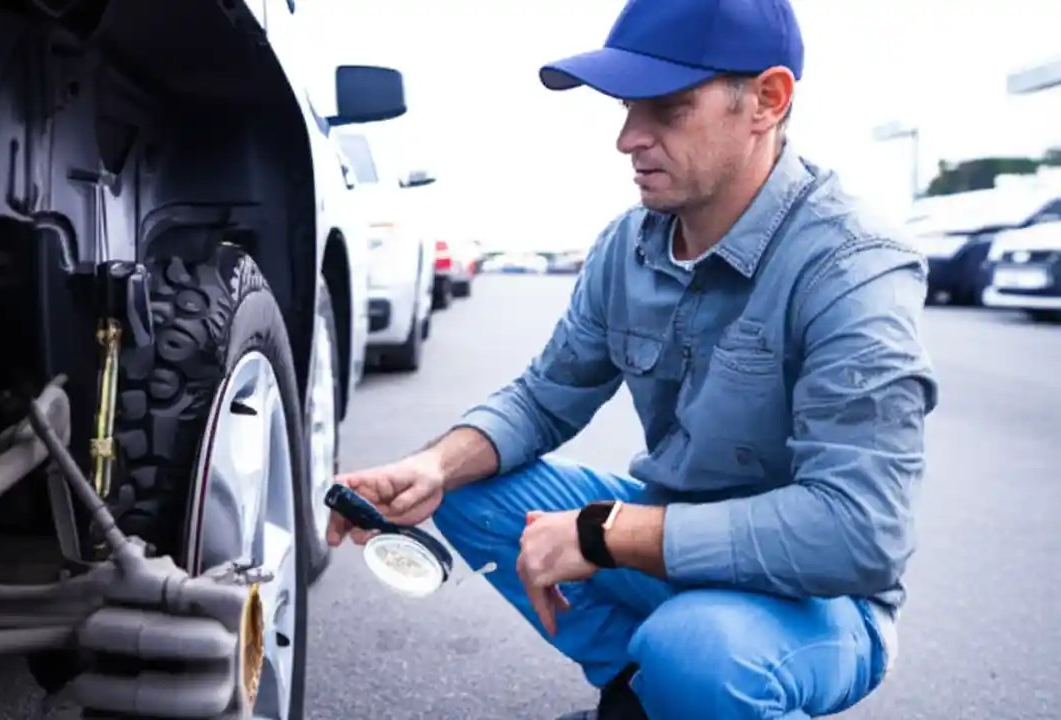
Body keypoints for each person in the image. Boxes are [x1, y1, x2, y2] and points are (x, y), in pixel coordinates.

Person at [328, 0, 939, 717]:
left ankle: (693, 685)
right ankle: (637, 698)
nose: (627, 138)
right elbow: (543, 397)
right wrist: (429, 468)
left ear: (767, 101)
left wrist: (606, 534)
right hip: (670, 540)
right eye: (626, 107)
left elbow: (860, 533)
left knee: (699, 652)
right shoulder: (631, 244)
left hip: (817, 601)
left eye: (668, 109)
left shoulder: (852, 265)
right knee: (468, 485)